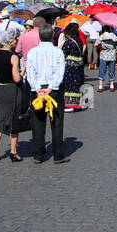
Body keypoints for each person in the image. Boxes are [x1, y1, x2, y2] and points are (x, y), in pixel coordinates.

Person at [26, 25, 68, 163]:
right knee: (57, 123)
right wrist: (50, 88)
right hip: (54, 91)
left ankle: (38, 154)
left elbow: (30, 72)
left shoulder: (32, 52)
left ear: (39, 36)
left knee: (38, 123)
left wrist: (37, 89)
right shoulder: (58, 52)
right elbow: (60, 72)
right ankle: (58, 154)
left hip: (37, 91)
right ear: (52, 36)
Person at [0, 37, 24, 162]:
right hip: (11, 89)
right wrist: (23, 71)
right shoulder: (13, 57)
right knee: (14, 119)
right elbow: (16, 78)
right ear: (10, 42)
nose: (16, 43)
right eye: (15, 40)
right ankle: (13, 152)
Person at [60, 22, 86, 111]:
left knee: (69, 84)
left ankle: (70, 105)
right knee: (78, 84)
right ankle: (78, 104)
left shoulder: (69, 41)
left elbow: (63, 52)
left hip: (70, 66)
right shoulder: (79, 40)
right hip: (79, 65)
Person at [96, 25, 117, 92]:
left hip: (103, 55)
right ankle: (112, 86)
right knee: (111, 70)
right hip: (112, 55)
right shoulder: (113, 35)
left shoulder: (102, 36)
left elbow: (96, 44)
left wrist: (102, 47)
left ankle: (100, 86)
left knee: (102, 70)